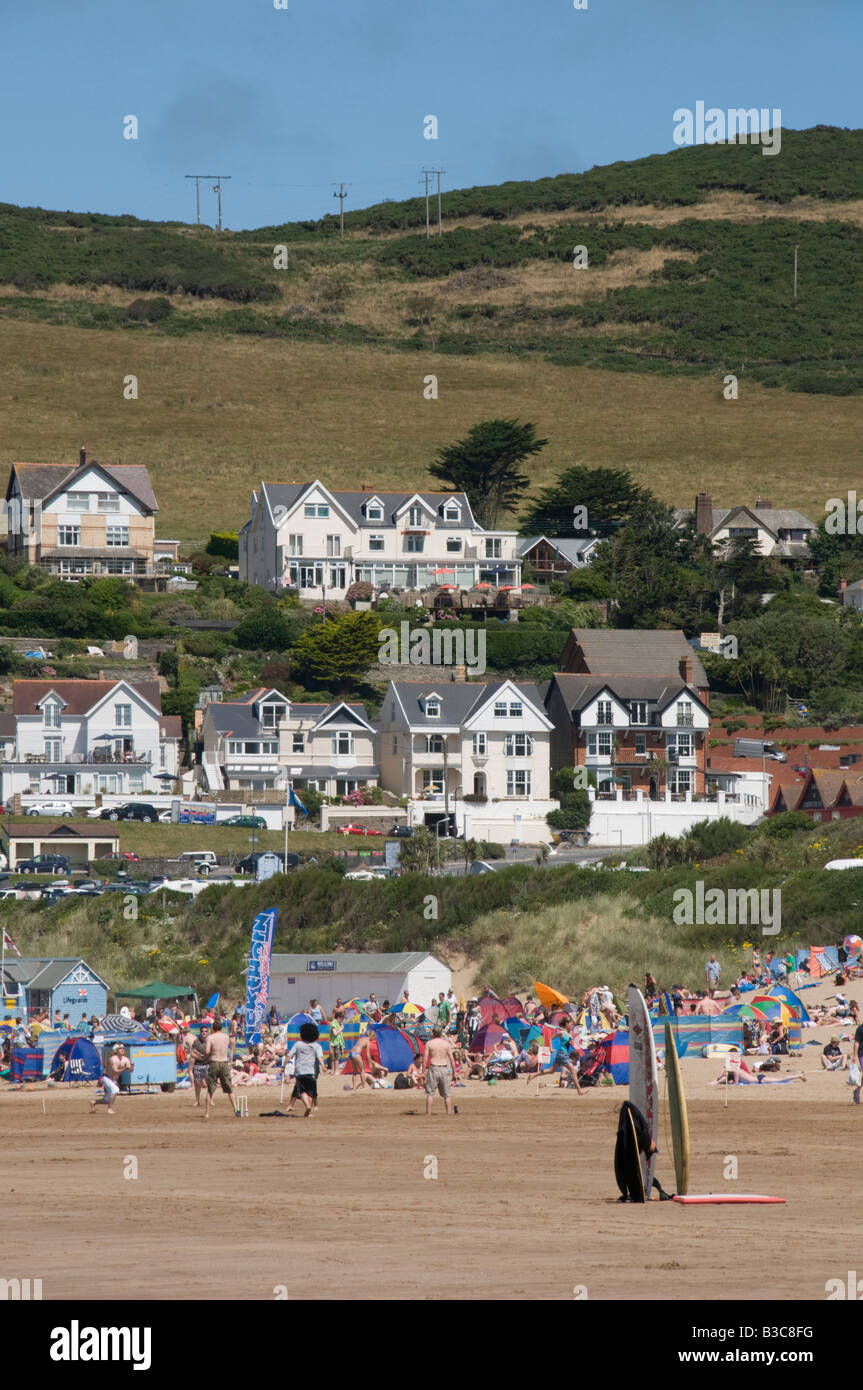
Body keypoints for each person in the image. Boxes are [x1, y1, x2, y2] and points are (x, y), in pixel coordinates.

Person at [285, 1022, 324, 1117]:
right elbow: (320, 1058)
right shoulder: (317, 1046)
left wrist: (283, 1067)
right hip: (311, 1073)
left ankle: (307, 1106)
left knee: (302, 1091)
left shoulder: (298, 1044)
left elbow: (288, 1056)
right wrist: (323, 1066)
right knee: (310, 1093)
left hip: (300, 1072)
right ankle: (308, 1108)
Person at [204, 1018, 234, 1118]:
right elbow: (232, 1045)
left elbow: (208, 1051)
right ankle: (236, 1110)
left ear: (213, 1028)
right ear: (221, 1027)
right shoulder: (226, 1037)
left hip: (214, 1061)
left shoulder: (210, 1037)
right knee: (229, 1089)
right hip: (224, 1062)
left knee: (210, 1089)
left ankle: (207, 1113)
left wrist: (204, 1056)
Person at [90, 1044, 132, 1116]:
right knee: (115, 1090)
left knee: (107, 1099)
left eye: (123, 1048)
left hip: (113, 1080)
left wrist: (130, 1068)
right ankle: (109, 1109)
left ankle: (93, 1102)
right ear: (116, 1051)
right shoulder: (113, 1059)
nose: (122, 1050)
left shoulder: (126, 1059)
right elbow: (115, 1071)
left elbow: (130, 1069)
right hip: (106, 1078)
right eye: (120, 1049)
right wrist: (125, 1068)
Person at [424, 1026, 458, 1116]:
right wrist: (454, 1073)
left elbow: (424, 1058)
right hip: (444, 1068)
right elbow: (451, 1059)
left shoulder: (429, 1043)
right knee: (447, 1094)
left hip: (433, 1068)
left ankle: (428, 1113)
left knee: (430, 1093)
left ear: (433, 1033)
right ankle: (448, 1113)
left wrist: (423, 1071)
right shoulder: (446, 1044)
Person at [189, 1024, 211, 1106]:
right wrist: (201, 1057)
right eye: (202, 1031)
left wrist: (206, 1057)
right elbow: (192, 1053)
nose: (204, 1033)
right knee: (197, 1084)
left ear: (207, 1032)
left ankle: (210, 1100)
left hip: (207, 1065)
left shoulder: (209, 1041)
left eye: (205, 1031)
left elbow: (212, 1052)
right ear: (200, 1032)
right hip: (198, 1065)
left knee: (209, 1084)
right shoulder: (196, 1042)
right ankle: (197, 1101)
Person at [329, 1009, 346, 1076]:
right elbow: (335, 1033)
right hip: (335, 1043)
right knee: (337, 1058)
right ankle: (336, 1071)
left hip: (338, 1043)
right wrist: (341, 1028)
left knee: (337, 1057)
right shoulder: (334, 1023)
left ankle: (335, 1071)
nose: (342, 1021)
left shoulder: (337, 1024)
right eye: (341, 1019)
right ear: (338, 1018)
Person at [853, 1013, 863, 1105]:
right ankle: (857, 1091)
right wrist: (854, 1055)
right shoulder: (860, 1029)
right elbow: (856, 1042)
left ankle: (857, 1090)